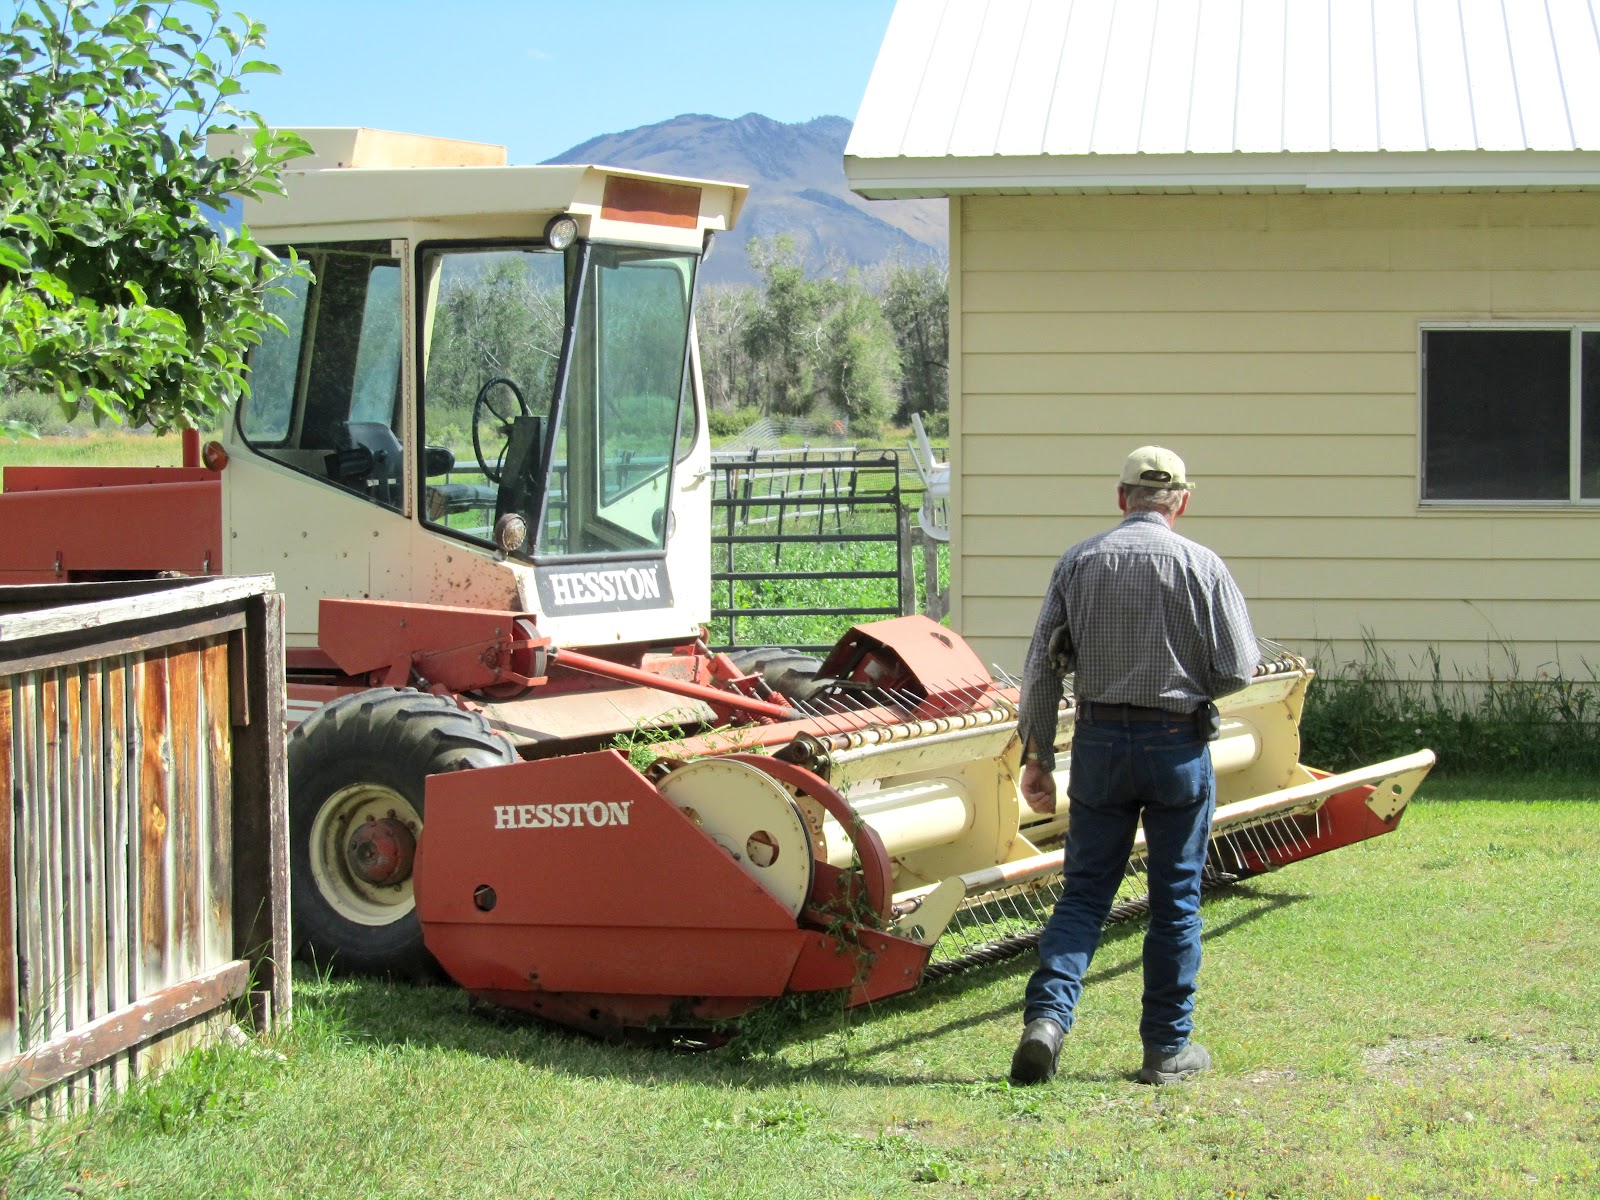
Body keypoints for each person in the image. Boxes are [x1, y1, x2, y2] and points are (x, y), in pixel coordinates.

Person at [1008, 446, 1258, 1087]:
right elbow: (1237, 669)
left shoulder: (1079, 562)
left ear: (1121, 498)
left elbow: (1039, 669)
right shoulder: (1204, 566)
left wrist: (1037, 756)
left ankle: (1046, 1023)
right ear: (1182, 501)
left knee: (1086, 891)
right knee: (1175, 898)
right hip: (1175, 743)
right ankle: (1166, 1049)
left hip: (1097, 745)